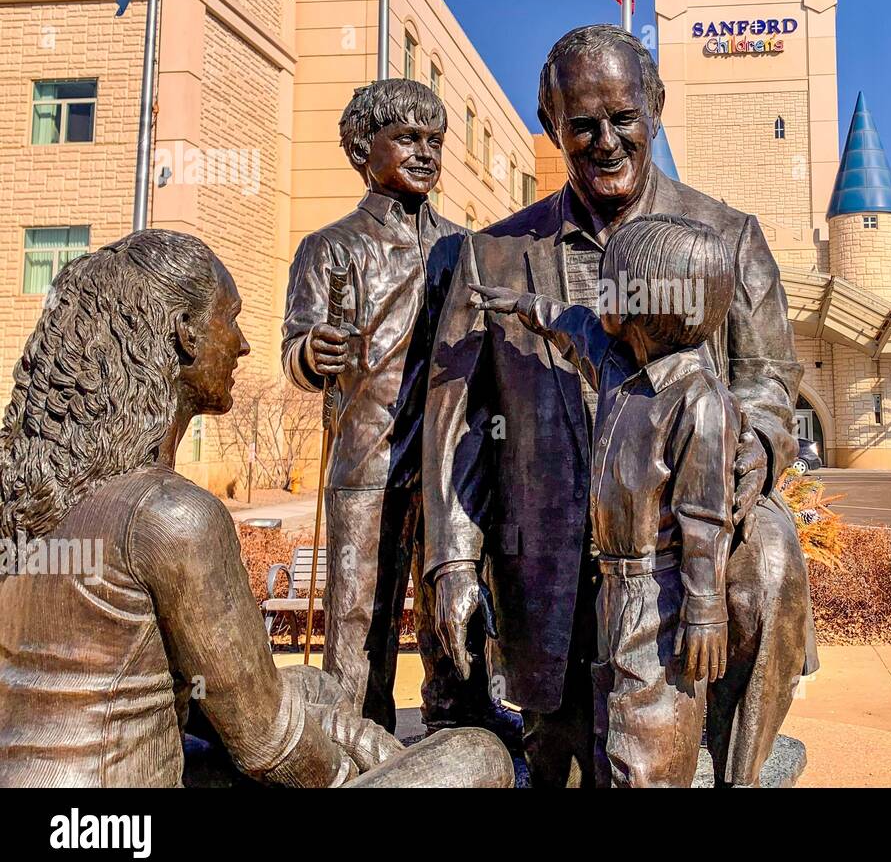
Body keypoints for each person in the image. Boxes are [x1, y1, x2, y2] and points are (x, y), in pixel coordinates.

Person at [425, 24, 818, 788]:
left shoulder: (728, 237)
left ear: (656, 106)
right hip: (550, 548)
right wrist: (451, 558)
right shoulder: (495, 255)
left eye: (624, 118)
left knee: (769, 555)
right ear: (552, 126)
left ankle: (733, 760)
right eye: (581, 125)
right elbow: (456, 424)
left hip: (687, 534)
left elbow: (770, 379)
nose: (605, 141)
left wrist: (754, 450)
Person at [0, 230, 511, 788]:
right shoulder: (170, 516)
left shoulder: (32, 494)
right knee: (477, 756)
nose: (242, 344)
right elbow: (269, 744)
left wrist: (352, 736)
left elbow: (201, 694)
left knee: (316, 689)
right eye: (230, 318)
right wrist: (372, 769)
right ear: (186, 335)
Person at [471, 215, 739, 787]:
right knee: (610, 723)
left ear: (659, 302)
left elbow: (706, 519)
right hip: (613, 587)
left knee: (646, 738)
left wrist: (706, 607)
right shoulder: (622, 371)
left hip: (662, 594)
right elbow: (572, 326)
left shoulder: (699, 400)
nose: (601, 295)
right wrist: (521, 305)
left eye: (615, 284)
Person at [282, 78, 486, 733]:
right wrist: (315, 352)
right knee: (356, 607)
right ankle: (353, 726)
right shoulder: (330, 247)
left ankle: (460, 717)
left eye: (435, 140)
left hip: (448, 459)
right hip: (364, 455)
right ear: (362, 148)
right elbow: (295, 346)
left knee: (452, 594)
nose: (425, 152)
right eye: (406, 138)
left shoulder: (465, 247)